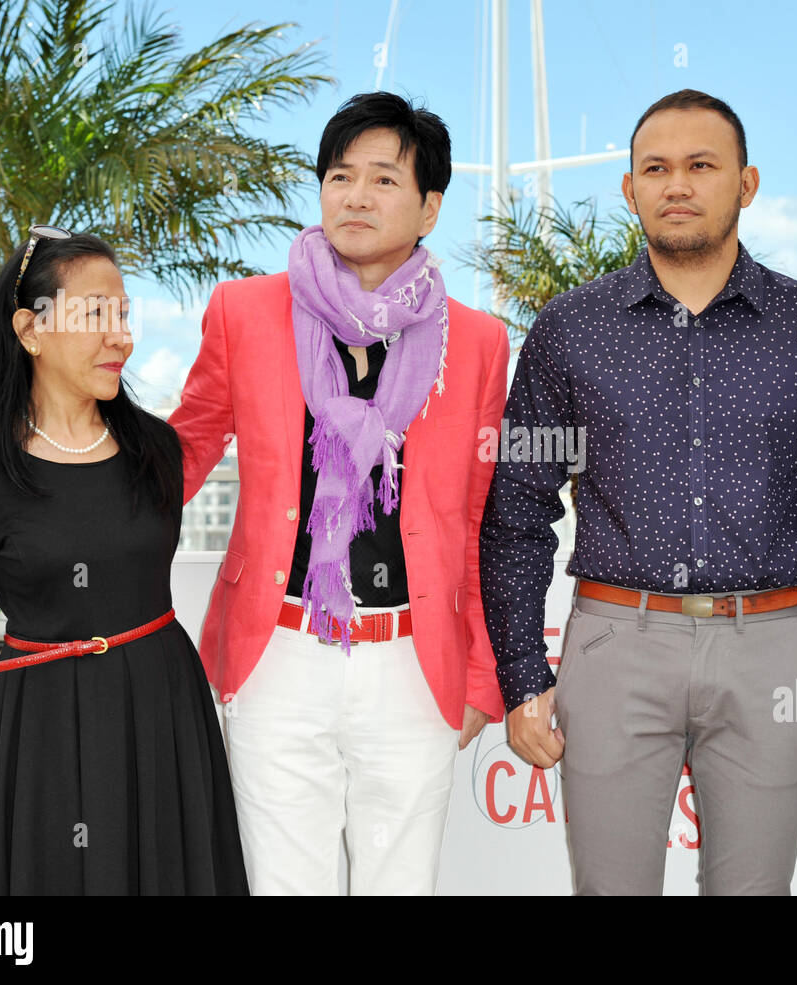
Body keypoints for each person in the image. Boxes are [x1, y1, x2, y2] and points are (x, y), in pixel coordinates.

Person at [479, 89, 797, 895]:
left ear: (747, 182)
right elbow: (519, 507)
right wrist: (524, 674)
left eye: (702, 165)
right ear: (630, 190)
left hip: (769, 649)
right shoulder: (568, 328)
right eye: (656, 169)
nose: (677, 185)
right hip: (612, 647)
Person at [168, 91, 509, 895]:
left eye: (383, 180)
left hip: (414, 658)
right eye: (338, 175)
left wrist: (483, 675)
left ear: (429, 207)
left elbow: (482, 518)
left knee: (401, 883)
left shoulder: (481, 339)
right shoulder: (245, 311)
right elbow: (181, 455)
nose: (355, 195)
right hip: (278, 652)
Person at [0, 227, 249, 895]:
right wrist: (14, 721)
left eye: (124, 313)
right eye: (97, 314)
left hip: (162, 708)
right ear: (31, 329)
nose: (122, 336)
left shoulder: (156, 450)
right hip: (37, 723)